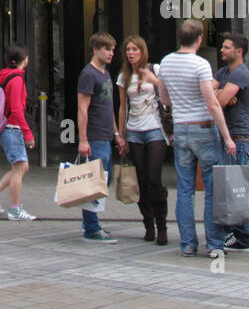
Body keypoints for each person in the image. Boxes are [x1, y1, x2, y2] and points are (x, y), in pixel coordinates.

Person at [158, 19, 236, 258]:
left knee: (185, 189)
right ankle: (214, 244)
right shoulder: (201, 64)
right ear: (199, 39)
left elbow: (164, 98)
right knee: (212, 188)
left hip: (180, 129)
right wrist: (227, 136)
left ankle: (187, 244)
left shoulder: (166, 62)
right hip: (203, 127)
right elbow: (212, 104)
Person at [116, 35, 168, 245]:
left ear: (142, 51)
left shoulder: (155, 70)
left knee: (155, 178)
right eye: (128, 49)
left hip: (154, 128)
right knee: (142, 180)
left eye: (135, 49)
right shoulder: (123, 77)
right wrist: (120, 135)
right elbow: (122, 107)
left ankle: (161, 224)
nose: (131, 53)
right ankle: (148, 223)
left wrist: (154, 80)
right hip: (134, 130)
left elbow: (166, 95)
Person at [77, 32, 123, 243]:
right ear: (96, 50)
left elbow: (109, 106)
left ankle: (92, 223)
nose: (111, 53)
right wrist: (83, 139)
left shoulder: (105, 74)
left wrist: (116, 133)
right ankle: (91, 228)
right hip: (94, 136)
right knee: (94, 183)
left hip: (105, 135)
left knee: (103, 180)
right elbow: (82, 108)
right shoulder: (89, 74)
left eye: (112, 49)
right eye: (107, 49)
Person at [0, 45, 36, 221]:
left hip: (10, 127)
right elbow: (16, 109)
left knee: (21, 167)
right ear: (25, 59)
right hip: (12, 128)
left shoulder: (7, 76)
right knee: (19, 168)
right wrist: (27, 132)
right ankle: (15, 208)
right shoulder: (17, 80)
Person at [215, 32, 249, 251]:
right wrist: (223, 93)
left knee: (236, 188)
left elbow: (218, 101)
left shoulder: (240, 73)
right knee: (228, 187)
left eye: (226, 47)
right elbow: (206, 91)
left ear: (239, 52)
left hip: (239, 139)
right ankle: (236, 232)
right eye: (222, 47)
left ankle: (244, 237)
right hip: (228, 137)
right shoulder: (224, 72)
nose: (222, 50)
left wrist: (221, 94)